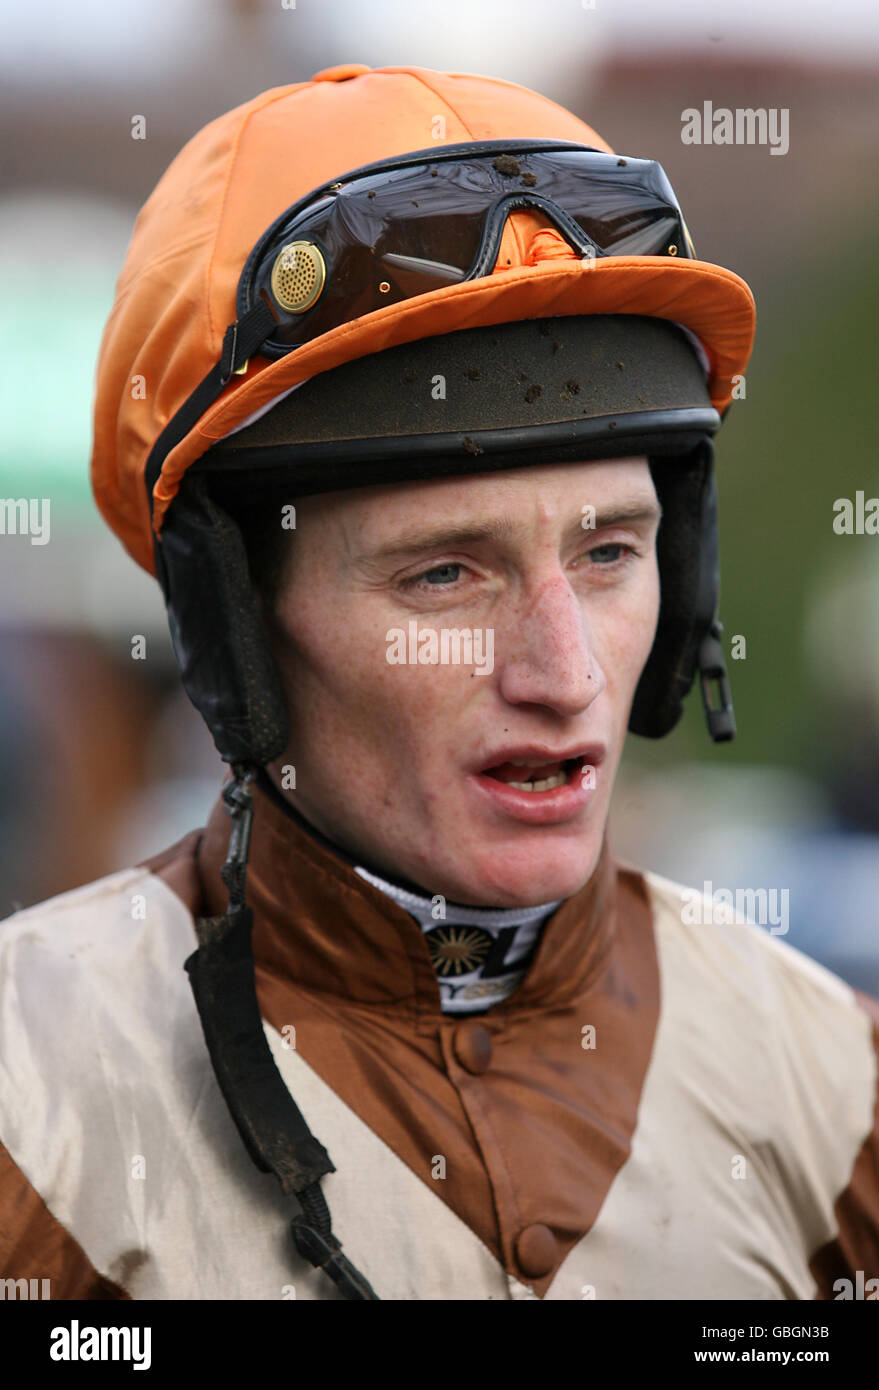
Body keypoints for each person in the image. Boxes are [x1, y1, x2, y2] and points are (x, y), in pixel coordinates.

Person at [1, 63, 876, 1303]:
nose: (565, 673)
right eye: (446, 575)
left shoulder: (841, 1083)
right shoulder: (23, 1111)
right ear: (236, 622)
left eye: (610, 552)